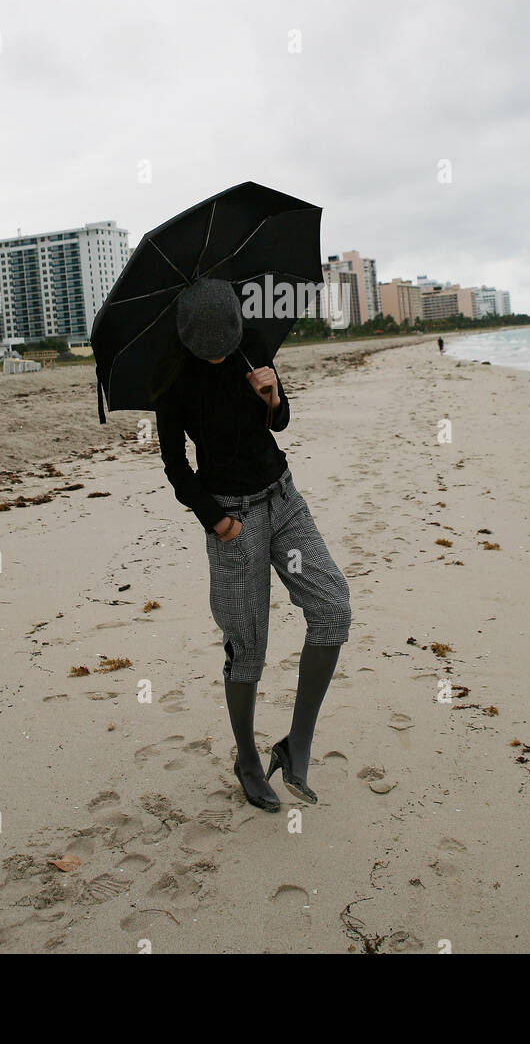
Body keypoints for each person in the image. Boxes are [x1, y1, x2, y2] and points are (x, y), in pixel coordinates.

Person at [154, 278, 352, 812]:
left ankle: (297, 743)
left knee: (332, 606)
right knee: (248, 646)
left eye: (226, 342)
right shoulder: (171, 380)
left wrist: (274, 397)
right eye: (209, 349)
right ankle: (246, 758)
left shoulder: (253, 345)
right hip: (233, 519)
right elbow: (176, 465)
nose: (221, 354)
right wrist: (217, 521)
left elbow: (277, 423)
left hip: (283, 500)